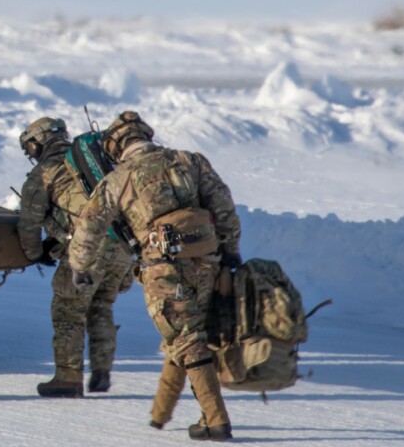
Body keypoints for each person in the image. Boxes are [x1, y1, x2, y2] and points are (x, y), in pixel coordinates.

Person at [71, 111, 242, 441]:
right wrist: (231, 247)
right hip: (207, 259)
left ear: (116, 146)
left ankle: (216, 418)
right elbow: (223, 205)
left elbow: (90, 225)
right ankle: (165, 414)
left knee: (185, 338)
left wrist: (80, 266)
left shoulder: (119, 178)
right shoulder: (189, 160)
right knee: (189, 333)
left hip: (163, 267)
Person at [15, 116, 136, 397]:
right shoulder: (92, 163)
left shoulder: (44, 173)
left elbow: (28, 224)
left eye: (29, 147)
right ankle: (102, 370)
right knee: (101, 305)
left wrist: (35, 254)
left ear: (38, 142)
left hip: (88, 248)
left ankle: (68, 377)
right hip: (121, 246)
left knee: (68, 310)